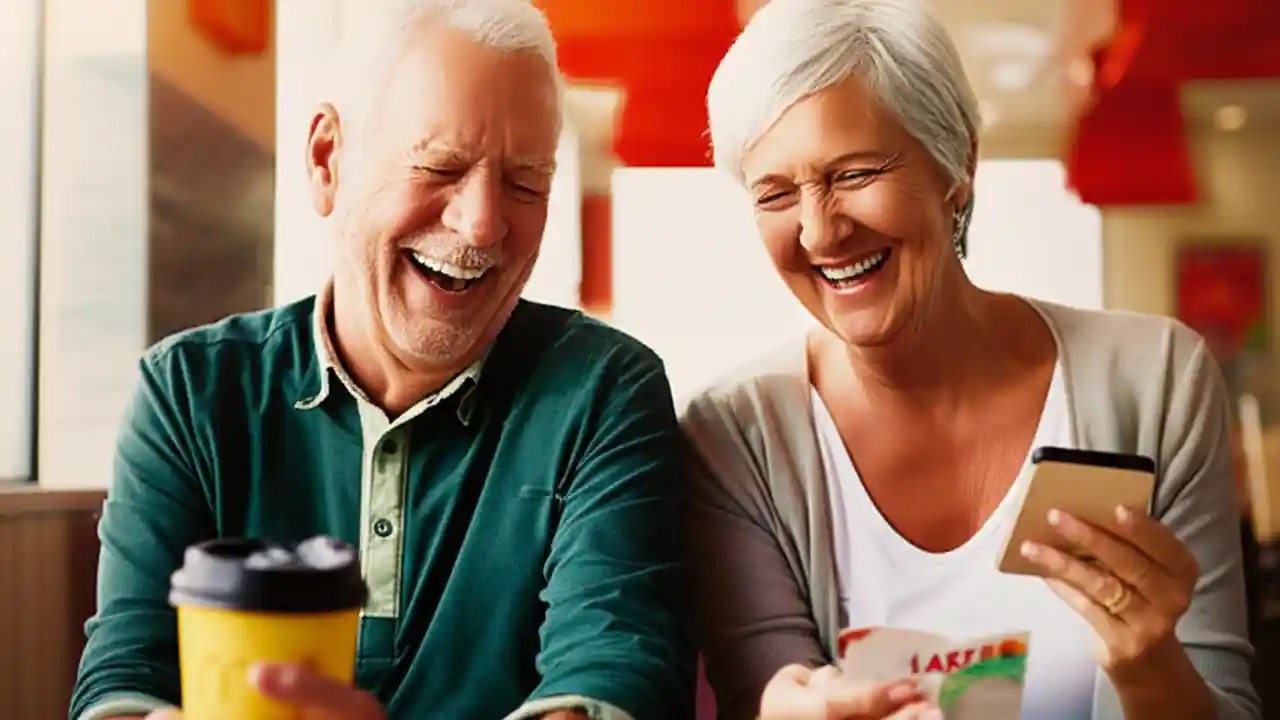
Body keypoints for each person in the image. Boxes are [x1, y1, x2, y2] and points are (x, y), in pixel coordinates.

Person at [69, 1, 694, 718]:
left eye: (525, 183)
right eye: (439, 166)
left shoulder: (603, 391)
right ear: (327, 160)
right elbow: (126, 675)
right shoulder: (188, 392)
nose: (481, 223)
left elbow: (614, 669)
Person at [681, 0, 1261, 718]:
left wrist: (1149, 664)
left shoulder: (1155, 381)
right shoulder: (735, 435)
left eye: (855, 174)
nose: (820, 231)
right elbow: (766, 687)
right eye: (775, 193)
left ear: (958, 165)